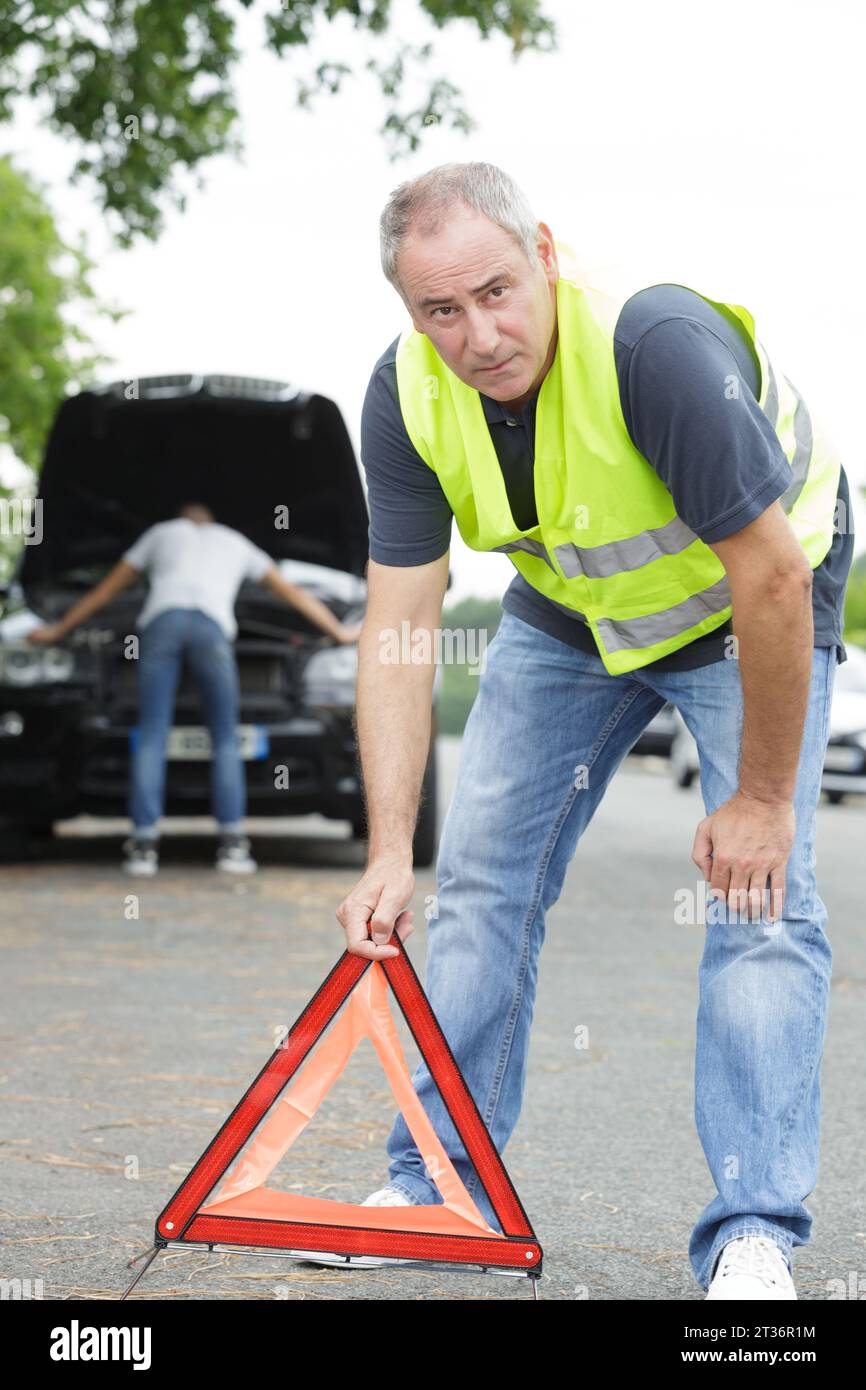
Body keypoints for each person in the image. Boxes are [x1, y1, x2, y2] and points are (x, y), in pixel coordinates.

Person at [330, 162, 853, 1298]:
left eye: (497, 290)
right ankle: (432, 1188)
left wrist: (759, 805)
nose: (479, 334)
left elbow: (766, 574)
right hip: (571, 616)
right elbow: (401, 631)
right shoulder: (404, 397)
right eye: (440, 311)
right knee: (477, 881)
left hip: (747, 603)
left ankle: (752, 1234)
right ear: (408, 314)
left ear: (546, 253)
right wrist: (384, 846)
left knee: (756, 899)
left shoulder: (650, 346)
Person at [27, 502, 362, 877]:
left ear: (184, 515)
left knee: (152, 732)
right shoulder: (235, 542)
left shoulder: (160, 533)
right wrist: (339, 632)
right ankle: (233, 846)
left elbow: (106, 591)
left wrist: (57, 631)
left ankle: (143, 847)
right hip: (210, 629)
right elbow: (292, 592)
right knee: (224, 737)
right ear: (210, 519)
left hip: (162, 625)